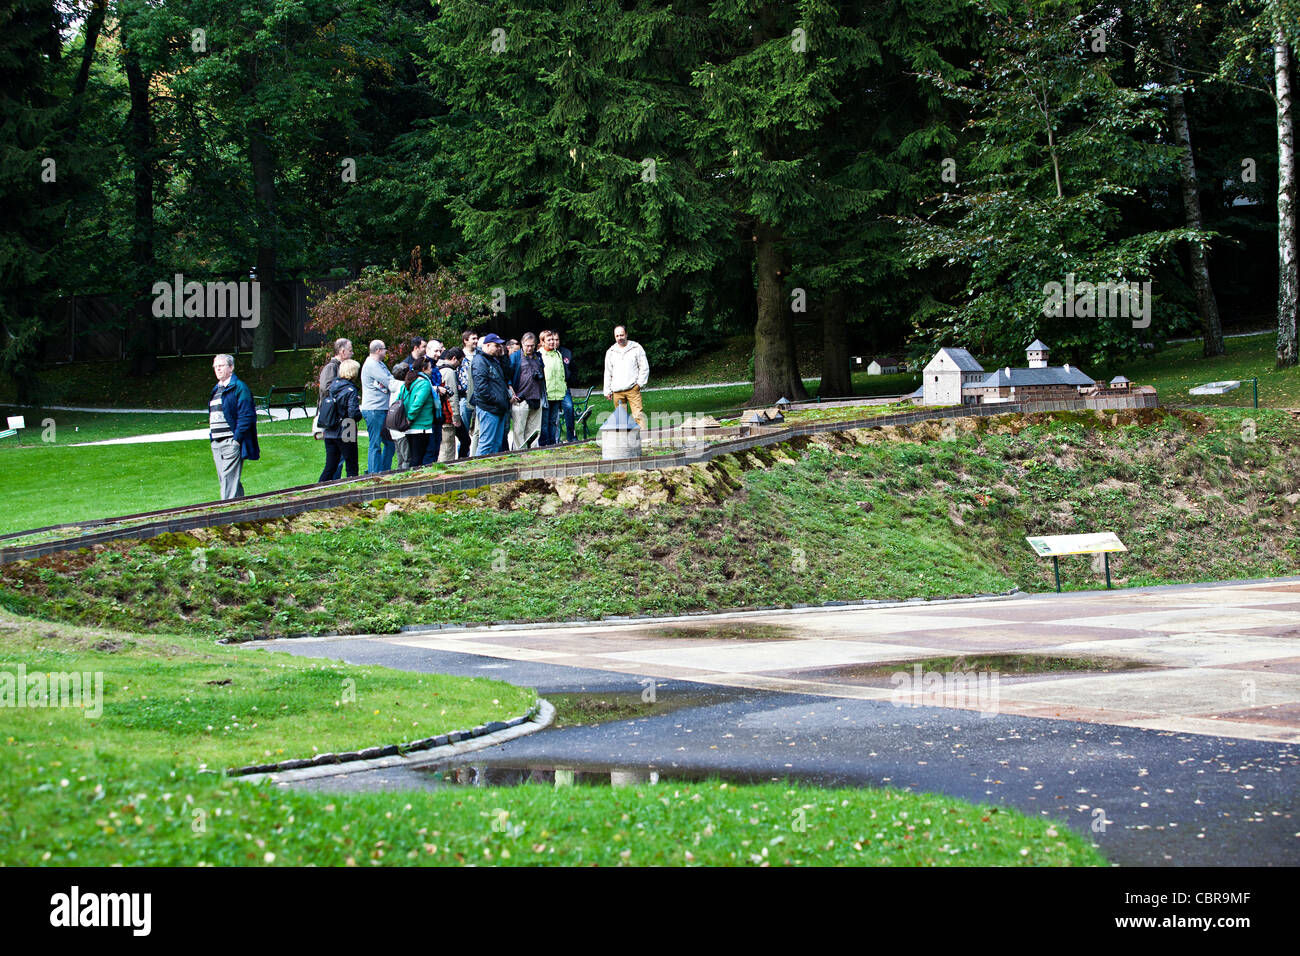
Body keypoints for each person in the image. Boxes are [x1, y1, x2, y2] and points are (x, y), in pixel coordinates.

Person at [209, 353, 260, 500]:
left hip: (230, 442)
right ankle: (240, 507)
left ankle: (226, 510)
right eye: (215, 367)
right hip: (216, 443)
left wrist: (236, 440)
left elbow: (247, 415)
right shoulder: (216, 389)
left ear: (231, 368)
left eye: (221, 366)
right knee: (228, 480)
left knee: (228, 480)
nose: (218, 369)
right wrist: (212, 438)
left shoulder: (239, 387)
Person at [319, 358, 362, 481]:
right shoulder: (351, 390)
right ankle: (352, 486)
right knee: (351, 464)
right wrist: (360, 415)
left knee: (330, 465)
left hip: (330, 429)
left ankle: (319, 487)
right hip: (347, 428)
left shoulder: (332, 387)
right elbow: (353, 413)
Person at [471, 333, 512, 456]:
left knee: (496, 444)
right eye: (497, 346)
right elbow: (481, 389)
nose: (500, 348)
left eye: (500, 346)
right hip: (489, 409)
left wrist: (503, 356)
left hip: (498, 407)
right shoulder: (480, 361)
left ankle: (491, 467)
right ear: (488, 345)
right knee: (486, 444)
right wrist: (497, 400)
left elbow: (507, 375)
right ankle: (478, 467)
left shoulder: (493, 360)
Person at [317, 338, 354, 479]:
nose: (352, 353)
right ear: (342, 351)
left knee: (342, 457)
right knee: (336, 460)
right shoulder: (331, 367)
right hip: (334, 419)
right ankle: (331, 483)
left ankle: (334, 482)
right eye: (350, 350)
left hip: (342, 419)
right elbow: (325, 389)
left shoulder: (341, 367)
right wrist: (345, 395)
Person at [603, 324, 650, 430]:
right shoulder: (610, 352)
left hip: (633, 389)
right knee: (621, 420)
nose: (619, 338)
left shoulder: (636, 348)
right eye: (617, 336)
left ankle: (643, 437)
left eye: (621, 335)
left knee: (638, 416)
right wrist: (607, 390)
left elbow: (644, 367)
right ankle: (624, 439)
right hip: (617, 392)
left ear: (626, 334)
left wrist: (639, 384)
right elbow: (608, 372)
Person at [361, 340, 395, 473]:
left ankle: (384, 471)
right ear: (378, 350)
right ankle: (374, 474)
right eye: (385, 349)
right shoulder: (371, 365)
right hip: (374, 410)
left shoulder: (380, 364)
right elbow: (389, 382)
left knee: (390, 443)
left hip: (382, 409)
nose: (386, 352)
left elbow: (390, 379)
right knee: (375, 443)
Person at [509, 332, 545, 449]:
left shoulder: (538, 357)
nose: (529, 348)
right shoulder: (515, 357)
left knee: (534, 429)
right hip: (521, 398)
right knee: (519, 430)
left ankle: (532, 451)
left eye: (532, 345)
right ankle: (519, 452)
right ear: (522, 344)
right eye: (527, 345)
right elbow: (507, 376)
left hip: (536, 397)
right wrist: (511, 391)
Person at [399, 362, 435, 468]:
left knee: (414, 457)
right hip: (420, 425)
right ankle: (413, 477)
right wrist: (410, 418)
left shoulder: (407, 383)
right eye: (430, 368)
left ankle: (410, 476)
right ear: (423, 369)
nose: (432, 370)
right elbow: (418, 403)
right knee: (418, 459)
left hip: (408, 426)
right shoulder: (424, 384)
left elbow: (399, 400)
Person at [538, 330, 567, 447]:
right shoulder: (539, 355)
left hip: (557, 394)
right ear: (542, 342)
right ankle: (544, 445)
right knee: (544, 423)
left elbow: (562, 374)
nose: (552, 342)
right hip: (546, 394)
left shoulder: (558, 354)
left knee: (553, 422)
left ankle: (553, 444)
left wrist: (563, 388)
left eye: (553, 339)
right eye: (549, 340)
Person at [437, 347, 464, 462]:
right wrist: (455, 417)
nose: (460, 365)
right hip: (447, 415)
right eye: (460, 361)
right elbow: (452, 397)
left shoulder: (438, 368)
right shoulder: (449, 372)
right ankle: (446, 468)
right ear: (454, 359)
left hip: (439, 413)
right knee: (447, 447)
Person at [387, 359, 412, 470]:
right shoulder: (403, 388)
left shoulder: (393, 386)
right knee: (407, 458)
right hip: (401, 426)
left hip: (393, 426)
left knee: (400, 458)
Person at [458, 329, 479, 456]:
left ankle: (476, 455)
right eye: (473, 339)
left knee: (478, 429)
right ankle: (462, 456)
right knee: (464, 431)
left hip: (478, 397)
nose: (476, 341)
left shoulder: (480, 354)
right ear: (465, 341)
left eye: (477, 338)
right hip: (464, 397)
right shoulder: (459, 356)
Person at [553, 330, 577, 441]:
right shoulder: (544, 354)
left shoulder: (566, 353)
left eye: (557, 339)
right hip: (550, 389)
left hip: (564, 387)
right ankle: (553, 440)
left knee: (569, 407)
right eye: (552, 340)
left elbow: (574, 369)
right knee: (553, 415)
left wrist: (570, 380)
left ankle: (571, 436)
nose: (555, 342)